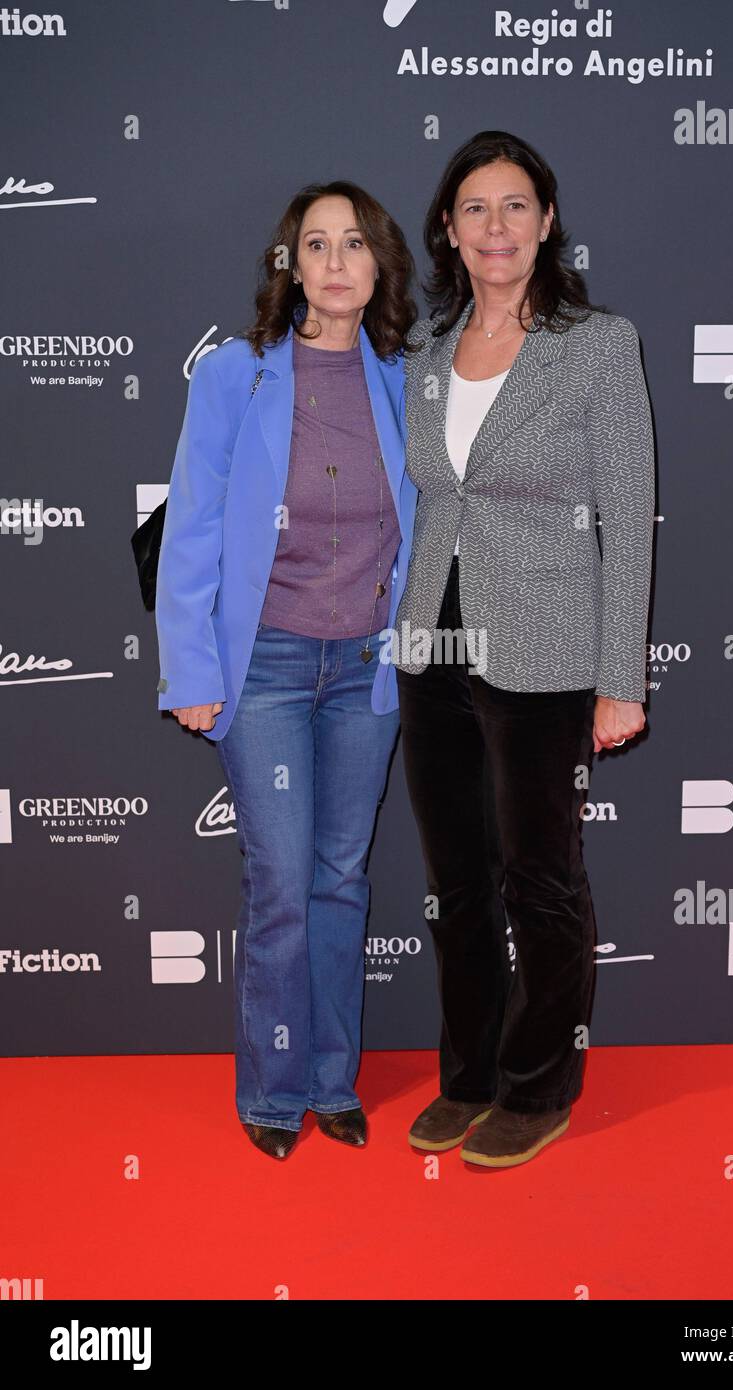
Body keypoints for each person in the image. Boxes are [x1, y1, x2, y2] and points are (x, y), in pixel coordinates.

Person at [390, 130, 655, 1169]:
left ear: (546, 222)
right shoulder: (423, 354)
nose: (493, 227)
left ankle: (538, 1084)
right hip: (431, 640)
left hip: (545, 646)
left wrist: (618, 678)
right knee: (455, 878)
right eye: (473, 209)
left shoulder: (597, 343)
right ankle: (467, 1075)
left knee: (538, 879)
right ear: (447, 232)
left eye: (513, 206)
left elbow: (628, 517)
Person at [155, 183, 419, 1160]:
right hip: (262, 665)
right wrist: (188, 667)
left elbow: (431, 522)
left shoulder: (400, 374)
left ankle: (330, 1079)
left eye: (354, 242)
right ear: (290, 265)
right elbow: (191, 523)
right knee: (279, 881)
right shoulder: (238, 373)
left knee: (339, 879)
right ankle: (272, 1092)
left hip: (364, 671)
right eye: (317, 243)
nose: (337, 260)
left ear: (378, 261)